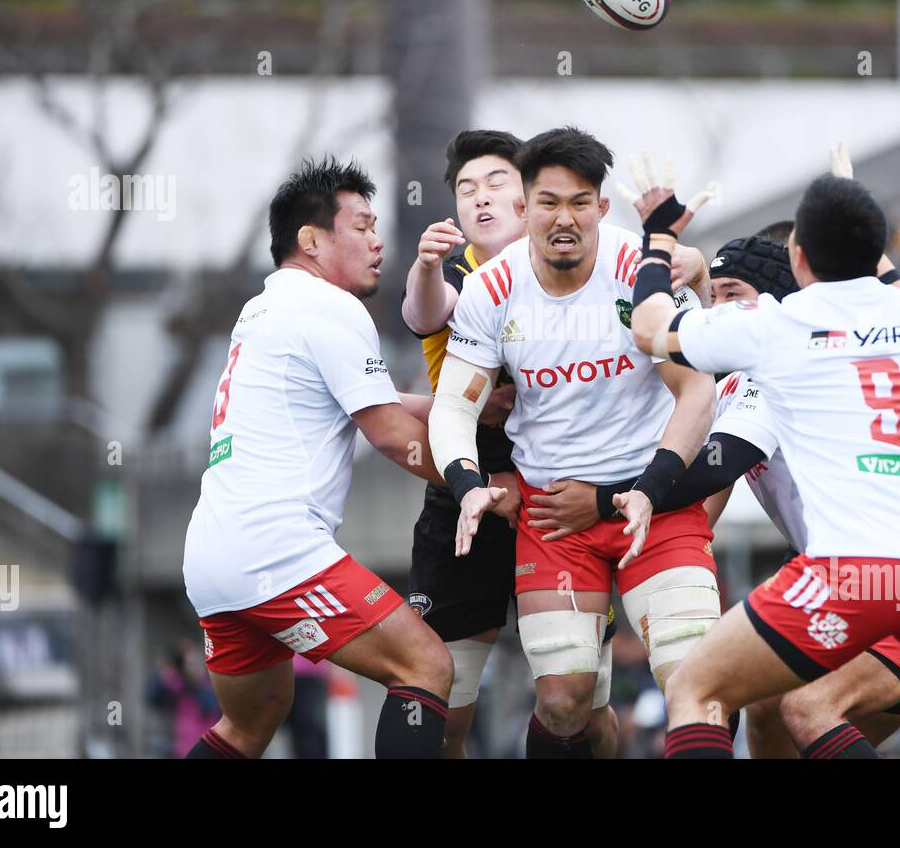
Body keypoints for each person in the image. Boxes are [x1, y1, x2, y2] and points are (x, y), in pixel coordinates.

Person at [626, 161, 900, 759]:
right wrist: (853, 203)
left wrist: (659, 235)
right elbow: (886, 277)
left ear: (800, 259)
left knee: (697, 688)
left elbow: (649, 326)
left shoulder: (774, 326)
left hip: (852, 570)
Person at [427, 127, 720, 758]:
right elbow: (453, 404)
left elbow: (697, 391)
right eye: (550, 202)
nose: (565, 219)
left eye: (580, 202)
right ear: (525, 208)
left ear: (602, 210)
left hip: (655, 504)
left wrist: (648, 489)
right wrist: (467, 482)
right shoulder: (490, 289)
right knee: (565, 706)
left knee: (696, 682)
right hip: (555, 514)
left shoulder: (638, 270)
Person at [181, 157, 455, 759]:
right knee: (425, 665)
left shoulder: (265, 309)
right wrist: (477, 484)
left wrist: (453, 407)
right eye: (361, 226)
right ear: (312, 240)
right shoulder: (330, 307)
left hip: (212, 555)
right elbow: (386, 433)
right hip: (275, 549)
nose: (378, 241)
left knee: (249, 726)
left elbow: (372, 398)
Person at [400, 129, 619, 758]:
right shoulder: (454, 276)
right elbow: (424, 313)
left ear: (529, 199)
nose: (482, 199)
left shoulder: (587, 264)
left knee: (579, 708)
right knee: (443, 709)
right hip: (468, 498)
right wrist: (423, 265)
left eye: (497, 183)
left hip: (559, 498)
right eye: (467, 189)